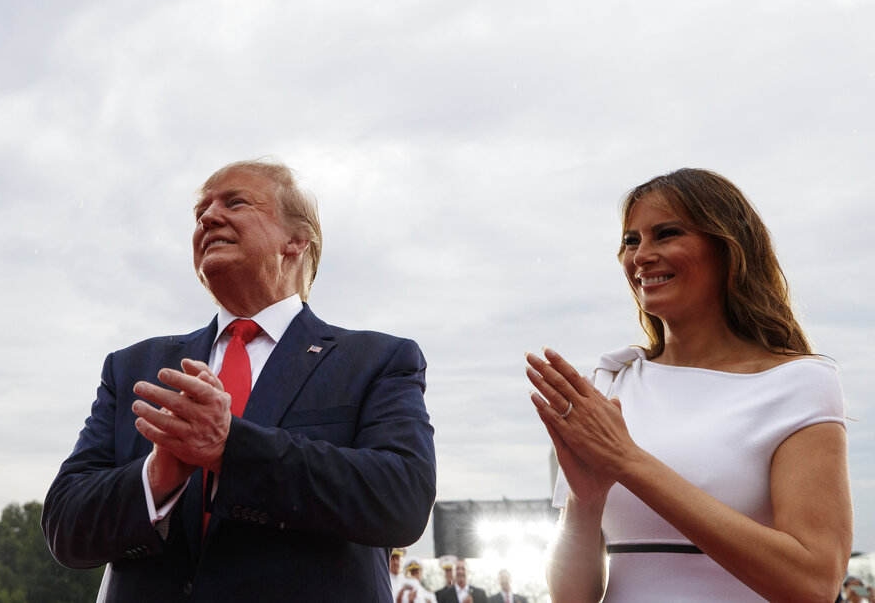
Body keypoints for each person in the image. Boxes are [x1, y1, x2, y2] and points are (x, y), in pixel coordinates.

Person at [42, 159, 437, 602]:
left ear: (297, 239)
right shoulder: (133, 367)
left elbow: (401, 500)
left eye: (235, 202)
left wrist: (230, 450)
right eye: (201, 212)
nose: (208, 217)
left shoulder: (377, 360)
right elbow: (65, 526)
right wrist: (156, 479)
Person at [525, 168, 852, 601]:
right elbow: (572, 597)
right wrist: (583, 503)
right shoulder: (611, 381)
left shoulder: (798, 382)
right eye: (631, 240)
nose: (641, 255)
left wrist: (629, 463)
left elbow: (814, 583)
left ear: (729, 248)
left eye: (666, 234)